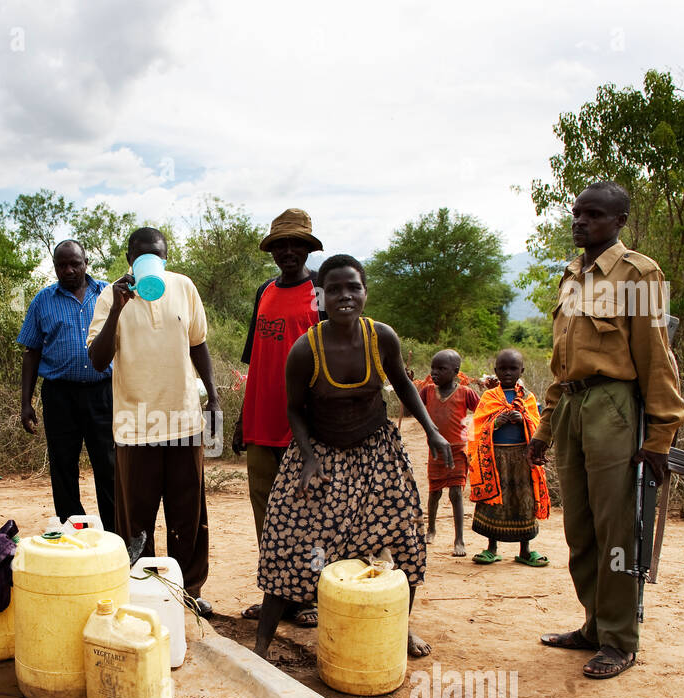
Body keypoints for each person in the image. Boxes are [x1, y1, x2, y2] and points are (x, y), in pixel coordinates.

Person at [252, 254, 452, 660]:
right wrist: (307, 457)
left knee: (402, 539)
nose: (345, 295)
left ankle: (401, 629)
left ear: (365, 293)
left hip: (378, 452)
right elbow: (294, 408)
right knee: (290, 542)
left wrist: (432, 431)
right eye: (335, 289)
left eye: (353, 287)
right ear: (320, 297)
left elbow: (405, 386)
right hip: (321, 455)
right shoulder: (305, 349)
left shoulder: (382, 338)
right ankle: (261, 644)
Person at [530, 181, 684, 679]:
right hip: (573, 407)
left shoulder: (639, 273)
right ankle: (594, 625)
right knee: (579, 525)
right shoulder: (572, 276)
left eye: (593, 215)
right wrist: (544, 428)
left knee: (615, 527)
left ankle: (619, 639)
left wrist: (660, 436)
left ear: (619, 221)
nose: (580, 222)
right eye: (577, 213)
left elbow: (658, 359)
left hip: (613, 408)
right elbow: (562, 364)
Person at [87, 227, 219, 617]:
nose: (152, 262)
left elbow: (198, 343)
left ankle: (188, 590)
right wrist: (117, 307)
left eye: (157, 255)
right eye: (144, 255)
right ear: (130, 258)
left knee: (188, 514)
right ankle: (146, 590)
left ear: (166, 257)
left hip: (183, 421)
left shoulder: (183, 287)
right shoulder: (109, 297)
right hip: (135, 425)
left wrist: (212, 393)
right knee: (136, 517)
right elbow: (97, 359)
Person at [232, 209, 322, 627]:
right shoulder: (264, 291)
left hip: (304, 426)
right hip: (261, 421)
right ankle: (276, 594)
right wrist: (240, 419)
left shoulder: (319, 291)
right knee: (265, 514)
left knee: (306, 513)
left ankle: (308, 597)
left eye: (295, 244)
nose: (288, 251)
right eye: (280, 245)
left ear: (307, 248)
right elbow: (255, 359)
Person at [19, 240, 115, 530]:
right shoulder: (43, 301)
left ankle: (114, 532)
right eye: (62, 265)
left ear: (86, 262)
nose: (69, 270)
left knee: (109, 465)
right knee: (63, 466)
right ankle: (75, 530)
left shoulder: (108, 294)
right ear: (55, 267)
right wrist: (26, 403)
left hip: (103, 393)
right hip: (59, 395)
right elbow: (31, 351)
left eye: (75, 263)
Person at [468, 348, 549, 566]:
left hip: (523, 457)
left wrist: (523, 419)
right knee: (495, 500)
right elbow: (477, 427)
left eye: (513, 368)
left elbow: (538, 424)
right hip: (495, 458)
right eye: (502, 369)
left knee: (524, 500)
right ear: (495, 371)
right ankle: (491, 548)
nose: (507, 373)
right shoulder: (489, 397)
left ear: (521, 370)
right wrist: (496, 422)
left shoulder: (528, 398)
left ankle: (525, 549)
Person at [409, 349, 480, 556]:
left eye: (441, 368)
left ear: (456, 371)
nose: (435, 372)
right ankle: (431, 528)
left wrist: (474, 435)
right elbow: (410, 408)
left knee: (456, 493)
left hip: (458, 450)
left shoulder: (465, 393)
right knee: (434, 492)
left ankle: (459, 539)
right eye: (433, 368)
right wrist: (407, 384)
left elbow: (483, 410)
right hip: (435, 451)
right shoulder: (428, 391)